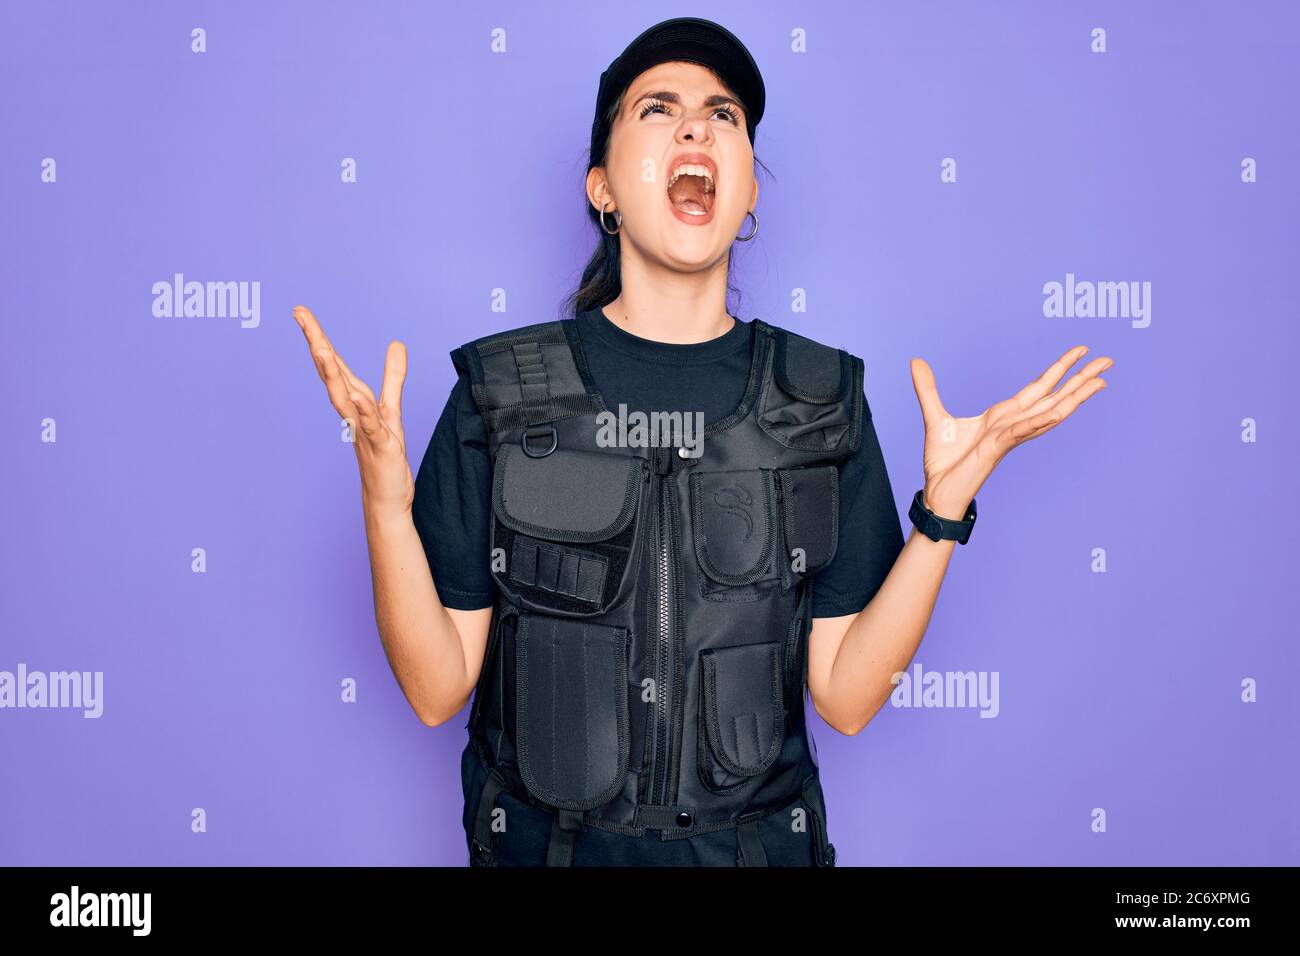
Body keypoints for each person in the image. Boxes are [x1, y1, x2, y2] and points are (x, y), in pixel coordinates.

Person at [291, 17, 1112, 867]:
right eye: (658, 108)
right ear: (602, 189)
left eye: (724, 115)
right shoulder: (500, 393)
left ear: (749, 191)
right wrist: (384, 503)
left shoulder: (820, 400)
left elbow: (847, 696)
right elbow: (435, 690)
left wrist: (942, 512)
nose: (697, 128)